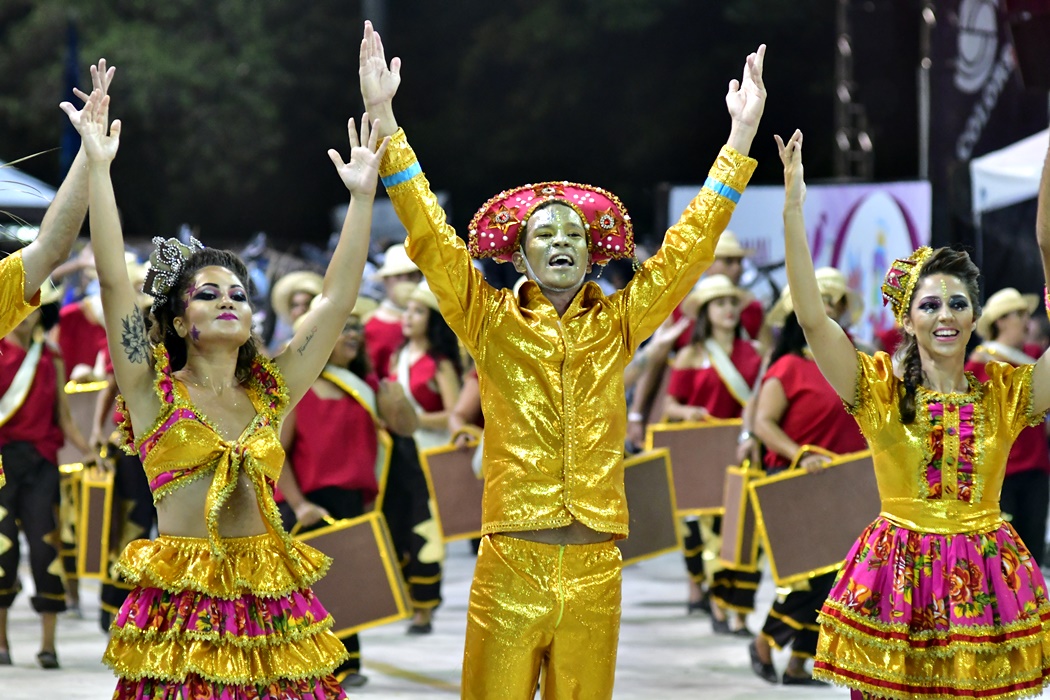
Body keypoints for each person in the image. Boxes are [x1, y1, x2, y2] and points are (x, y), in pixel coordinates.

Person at [359, 20, 766, 698]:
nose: (560, 242)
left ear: (592, 252)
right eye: (544, 233)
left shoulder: (619, 322)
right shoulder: (488, 319)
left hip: (596, 568)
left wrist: (739, 140)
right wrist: (386, 119)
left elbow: (689, 250)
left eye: (574, 233)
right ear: (519, 255)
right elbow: (429, 235)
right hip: (510, 565)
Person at [79, 80, 388, 698]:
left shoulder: (272, 390)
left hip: (271, 604)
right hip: (186, 607)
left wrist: (361, 198)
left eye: (239, 295)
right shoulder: (151, 392)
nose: (228, 301)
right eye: (209, 294)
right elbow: (114, 282)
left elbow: (334, 301)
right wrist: (99, 168)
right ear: (177, 322)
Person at [778, 128, 1050, 699]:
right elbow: (812, 320)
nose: (945, 315)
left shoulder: (1004, 396)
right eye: (929, 305)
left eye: (958, 303)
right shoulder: (877, 391)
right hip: (896, 581)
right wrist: (793, 207)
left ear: (974, 317)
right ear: (907, 320)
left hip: (985, 582)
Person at [277, 294, 418, 688]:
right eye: (343, 329)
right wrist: (300, 504)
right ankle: (304, 670)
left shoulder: (366, 387)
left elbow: (406, 429)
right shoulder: (300, 389)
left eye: (356, 328)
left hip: (353, 502)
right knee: (307, 594)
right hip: (308, 505)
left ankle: (346, 664)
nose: (353, 334)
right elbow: (276, 454)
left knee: (347, 589)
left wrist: (396, 399)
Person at [746, 277, 866, 686]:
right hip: (797, 481)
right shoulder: (788, 367)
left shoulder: (854, 365)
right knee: (810, 576)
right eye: (820, 302)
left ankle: (800, 661)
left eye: (834, 302)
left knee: (840, 578)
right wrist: (801, 454)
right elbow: (763, 424)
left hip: (844, 482)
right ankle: (766, 641)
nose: (828, 309)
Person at [662, 274, 761, 629]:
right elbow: (670, 406)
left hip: (740, 451)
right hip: (702, 456)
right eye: (720, 303)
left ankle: (739, 614)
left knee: (742, 533)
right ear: (706, 311)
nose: (728, 309)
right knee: (704, 533)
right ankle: (716, 605)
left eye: (732, 302)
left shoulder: (755, 354)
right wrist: (688, 412)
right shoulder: (691, 354)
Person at [0, 280, 90, 669]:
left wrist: (90, 452)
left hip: (41, 464)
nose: (26, 313)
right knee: (1, 551)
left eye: (33, 306)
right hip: (2, 465)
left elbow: (64, 417)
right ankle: (1, 641)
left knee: (45, 550)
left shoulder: (51, 355)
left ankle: (48, 646)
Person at [384, 279, 461, 633]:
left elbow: (454, 413)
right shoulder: (396, 357)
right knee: (397, 526)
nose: (408, 317)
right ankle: (405, 599)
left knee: (424, 530)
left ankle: (425, 608)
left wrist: (414, 420)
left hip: (427, 455)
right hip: (397, 456)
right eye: (407, 311)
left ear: (432, 319)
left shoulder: (439, 363)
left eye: (417, 312)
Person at [965, 288, 1050, 568]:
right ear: (1000, 320)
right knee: (1002, 559)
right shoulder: (981, 364)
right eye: (1020, 314)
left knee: (1033, 552)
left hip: (1036, 469)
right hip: (1001, 474)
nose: (1027, 321)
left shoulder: (1033, 357)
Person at [365, 242, 422, 378]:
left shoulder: (437, 318)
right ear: (385, 280)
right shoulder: (371, 326)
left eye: (411, 275)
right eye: (398, 276)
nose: (405, 281)